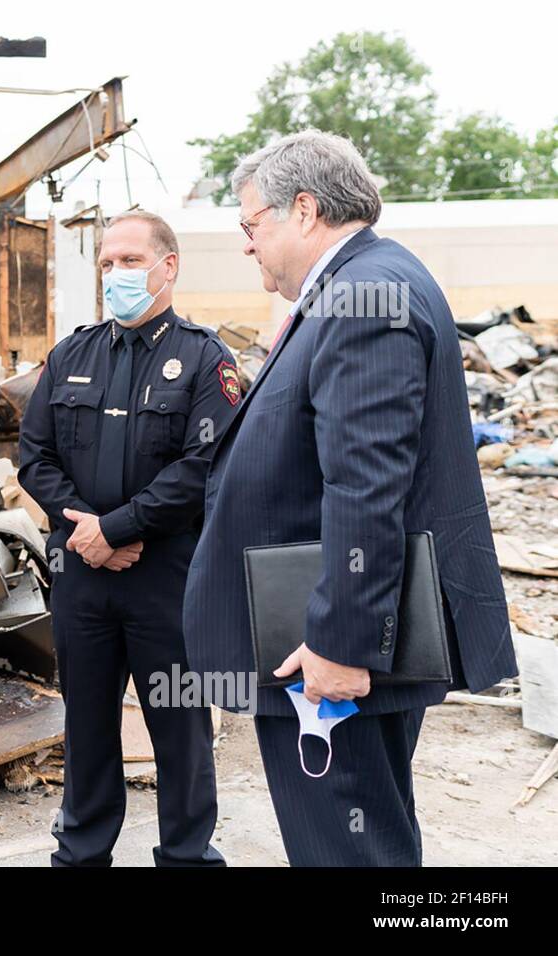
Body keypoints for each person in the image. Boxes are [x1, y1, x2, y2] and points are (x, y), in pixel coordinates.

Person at [183, 130, 518, 866]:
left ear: (303, 210)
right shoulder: (353, 286)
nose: (247, 247)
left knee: (349, 853)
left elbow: (368, 485)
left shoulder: (367, 297)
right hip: (326, 633)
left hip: (332, 651)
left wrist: (341, 643)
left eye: (251, 225)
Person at [18, 211, 239, 867]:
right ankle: (82, 852)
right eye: (108, 263)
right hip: (83, 580)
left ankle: (186, 855)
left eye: (131, 261)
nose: (116, 273)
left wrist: (117, 528)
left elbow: (204, 467)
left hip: (163, 579)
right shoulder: (71, 354)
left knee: (179, 729)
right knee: (86, 725)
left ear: (168, 266)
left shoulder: (205, 358)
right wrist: (89, 531)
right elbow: (36, 458)